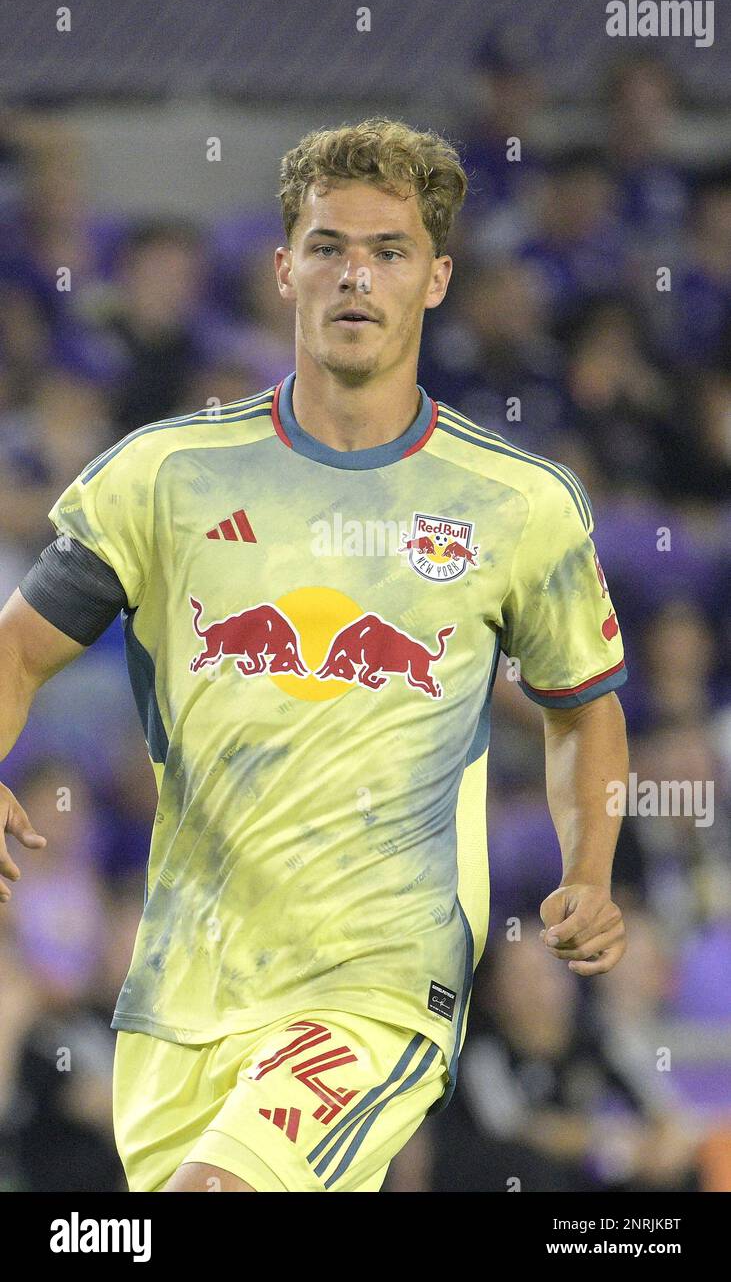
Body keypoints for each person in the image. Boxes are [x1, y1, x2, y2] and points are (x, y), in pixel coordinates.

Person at [0, 117, 630, 1193]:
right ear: (283, 265)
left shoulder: (515, 505)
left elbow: (578, 705)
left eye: (388, 252)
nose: (355, 276)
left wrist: (587, 872)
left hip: (378, 986)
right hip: (181, 995)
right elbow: (16, 652)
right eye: (329, 246)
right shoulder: (165, 478)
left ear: (435, 278)